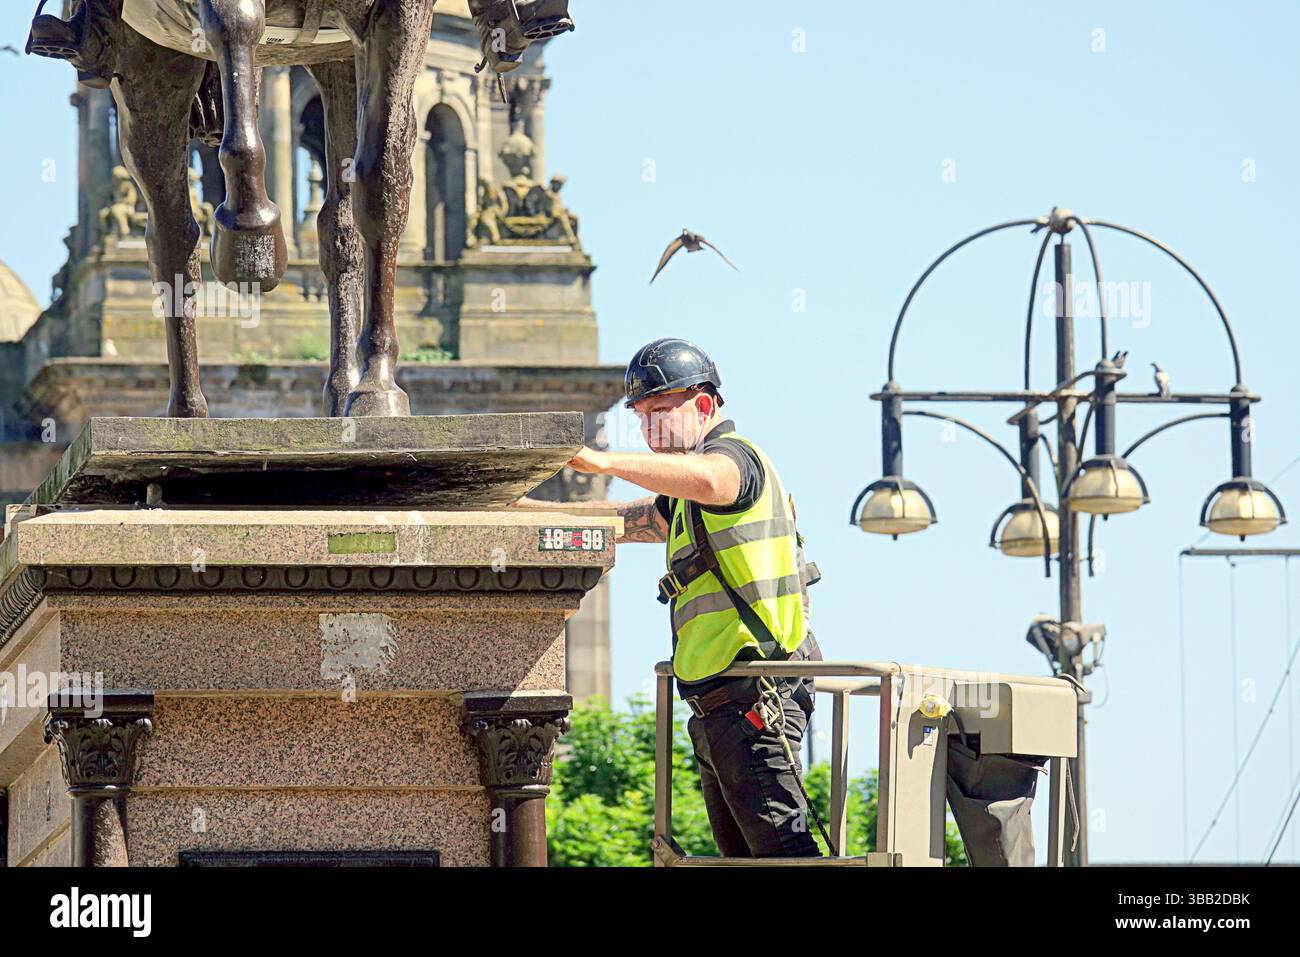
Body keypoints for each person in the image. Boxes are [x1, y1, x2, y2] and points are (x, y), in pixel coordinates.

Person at [514, 337, 823, 857]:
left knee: (784, 857)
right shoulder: (685, 499)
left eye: (659, 411)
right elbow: (627, 522)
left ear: (703, 405)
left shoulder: (734, 461)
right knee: (746, 860)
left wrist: (603, 462)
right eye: (640, 415)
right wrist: (531, 514)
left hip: (754, 693)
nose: (647, 426)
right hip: (720, 704)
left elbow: (711, 478)